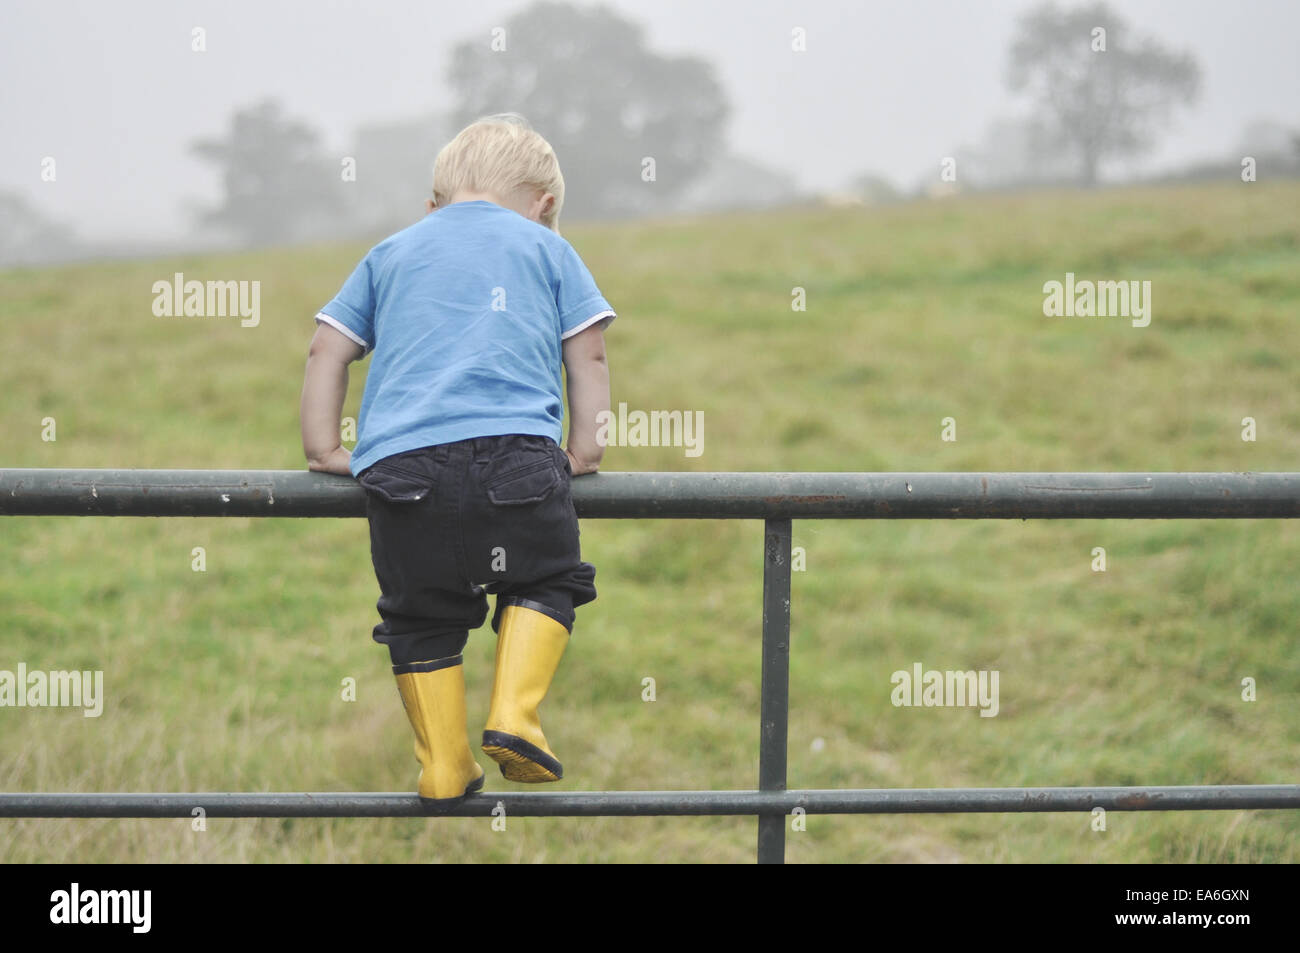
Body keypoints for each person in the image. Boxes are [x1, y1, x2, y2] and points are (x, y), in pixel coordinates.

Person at [299, 113, 614, 807]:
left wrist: (324, 447)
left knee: (418, 614)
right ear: (545, 204)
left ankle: (443, 764)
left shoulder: (390, 251)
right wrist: (585, 446)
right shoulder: (546, 248)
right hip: (518, 458)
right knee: (551, 576)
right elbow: (586, 352)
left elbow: (328, 347)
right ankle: (514, 716)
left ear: (433, 204)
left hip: (401, 470)